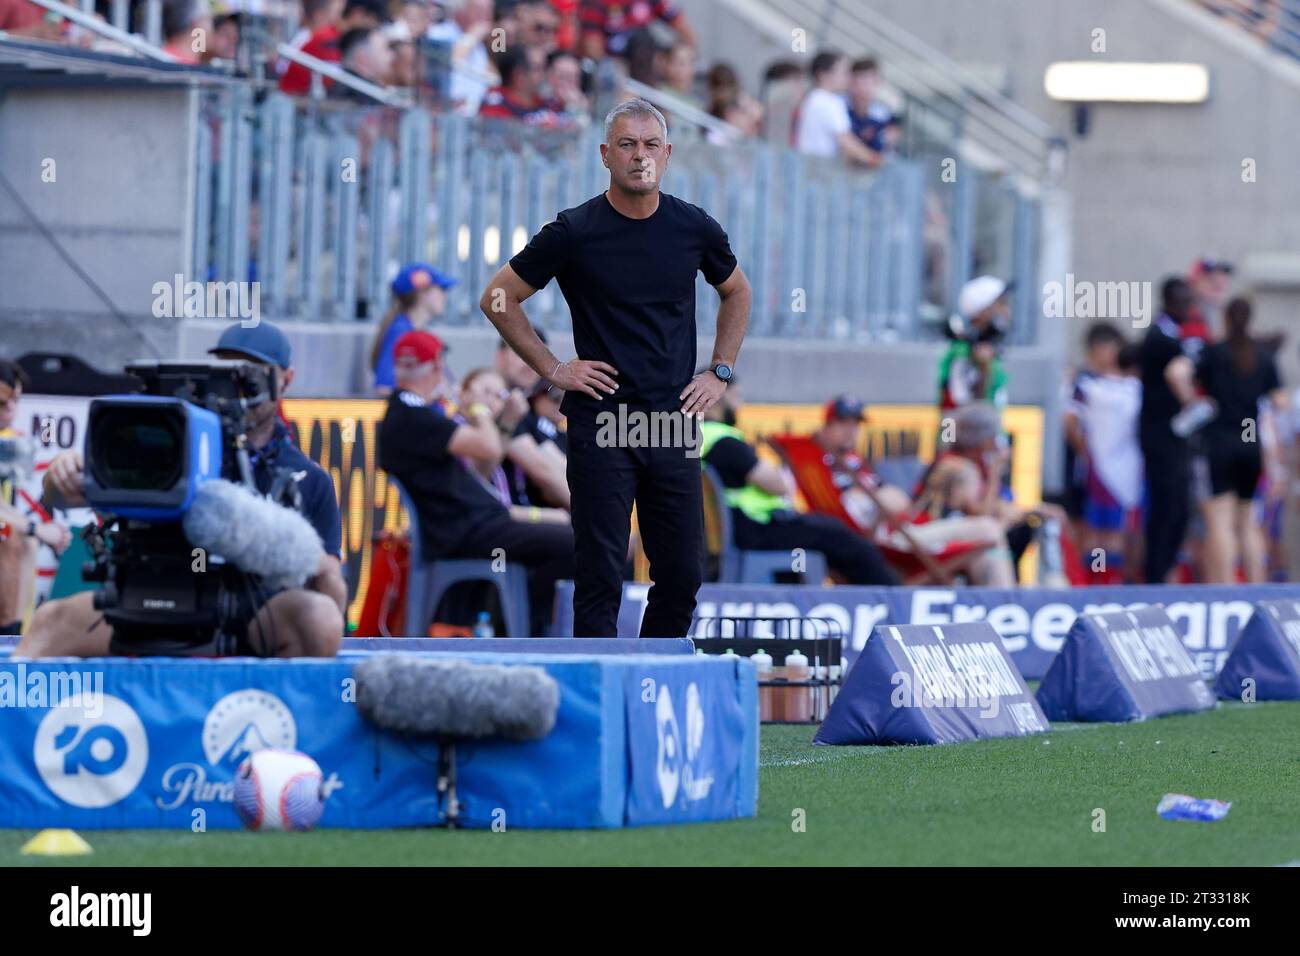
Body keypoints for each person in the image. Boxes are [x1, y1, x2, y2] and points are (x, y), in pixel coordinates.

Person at [479, 98, 750, 637]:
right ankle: (602, 688)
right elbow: (498, 297)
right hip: (601, 421)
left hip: (672, 422)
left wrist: (718, 371)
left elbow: (737, 291)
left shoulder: (694, 228)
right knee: (601, 572)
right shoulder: (574, 231)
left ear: (668, 154)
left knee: (682, 573)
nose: (639, 156)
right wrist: (553, 368)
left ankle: (651, 678)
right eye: (627, 145)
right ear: (605, 154)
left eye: (651, 145)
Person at [16, 322, 346, 659]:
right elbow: (57, 496)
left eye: (250, 376)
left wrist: (277, 543)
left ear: (285, 380)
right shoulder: (163, 442)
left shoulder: (308, 478)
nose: (236, 388)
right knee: (48, 624)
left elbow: (328, 578)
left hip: (245, 609)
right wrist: (60, 478)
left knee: (318, 618)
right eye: (225, 372)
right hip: (142, 596)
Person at [378, 331, 575, 634]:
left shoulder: (411, 413)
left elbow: (487, 467)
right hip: (463, 531)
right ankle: (532, 634)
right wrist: (480, 410)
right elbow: (490, 448)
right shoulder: (412, 414)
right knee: (573, 542)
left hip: (479, 522)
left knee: (572, 535)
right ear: (436, 368)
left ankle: (530, 628)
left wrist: (504, 420)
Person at [701, 384, 898, 585]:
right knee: (839, 536)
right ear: (715, 400)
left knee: (818, 542)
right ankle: (893, 598)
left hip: (737, 530)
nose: (739, 406)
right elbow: (777, 485)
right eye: (735, 398)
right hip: (756, 529)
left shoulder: (695, 437)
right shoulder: (724, 441)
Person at [813, 395, 1015, 586]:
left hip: (902, 529)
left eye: (855, 424)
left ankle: (1001, 606)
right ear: (826, 425)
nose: (851, 430)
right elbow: (981, 512)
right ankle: (1008, 606)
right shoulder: (817, 464)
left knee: (988, 544)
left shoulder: (853, 461)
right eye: (843, 423)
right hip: (893, 540)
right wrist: (996, 470)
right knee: (989, 530)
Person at [1196, 297, 1287, 583]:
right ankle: (1255, 584)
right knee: (1248, 521)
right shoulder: (1262, 355)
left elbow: (1195, 384)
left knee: (1221, 520)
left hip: (1220, 440)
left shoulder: (1213, 353)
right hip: (1250, 440)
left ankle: (1225, 588)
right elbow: (1281, 402)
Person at [918, 402, 1067, 577]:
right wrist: (995, 470)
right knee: (996, 532)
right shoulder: (960, 467)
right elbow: (983, 515)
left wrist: (1033, 510)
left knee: (1028, 522)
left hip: (944, 534)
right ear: (984, 439)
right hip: (929, 538)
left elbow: (995, 506)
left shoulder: (969, 462)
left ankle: (1051, 582)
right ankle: (1015, 591)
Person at [1063, 323, 1144, 584]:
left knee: (1121, 530)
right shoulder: (1085, 384)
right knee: (1095, 531)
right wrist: (1088, 454)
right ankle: (1095, 580)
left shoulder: (1133, 385)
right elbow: (1071, 421)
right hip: (1096, 469)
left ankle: (1114, 579)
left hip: (1128, 468)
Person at [1139, 276, 1203, 584]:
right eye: (1180, 302)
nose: (1186, 308)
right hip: (1160, 437)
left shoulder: (1174, 338)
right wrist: (1193, 404)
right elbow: (1178, 373)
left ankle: (1163, 571)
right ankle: (1156, 574)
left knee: (1178, 506)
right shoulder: (1161, 340)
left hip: (1172, 437)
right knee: (1167, 505)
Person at [0, 361, 72, 634]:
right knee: (11, 537)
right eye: (2, 402)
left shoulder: (8, 442)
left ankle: (15, 637)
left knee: (24, 540)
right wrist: (39, 529)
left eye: (15, 401)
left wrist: (40, 531)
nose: (10, 409)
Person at [371, 262, 457, 395]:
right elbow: (384, 386)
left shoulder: (409, 328)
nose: (445, 296)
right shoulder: (400, 331)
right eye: (441, 289)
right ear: (423, 294)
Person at [793, 50, 881, 167]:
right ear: (823, 75)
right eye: (843, 73)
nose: (848, 78)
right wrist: (875, 160)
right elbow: (847, 142)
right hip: (818, 172)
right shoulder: (828, 101)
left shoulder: (814, 98)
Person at [939, 275, 1012, 412]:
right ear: (982, 311)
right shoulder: (962, 352)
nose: (1007, 311)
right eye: (1001, 304)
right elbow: (964, 411)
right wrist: (984, 370)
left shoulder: (991, 350)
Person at [479, 44, 570, 128]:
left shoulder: (549, 104)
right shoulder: (495, 102)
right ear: (519, 75)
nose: (545, 74)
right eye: (538, 69)